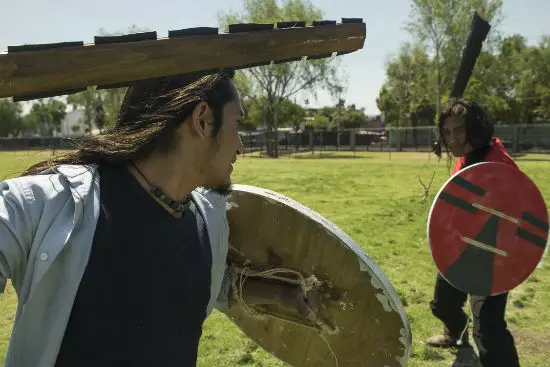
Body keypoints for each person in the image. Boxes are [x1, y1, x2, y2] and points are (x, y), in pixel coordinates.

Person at [0, 70, 319, 367]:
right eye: (237, 124)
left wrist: (280, 295)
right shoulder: (53, 204)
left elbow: (194, 282)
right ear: (204, 120)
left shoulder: (209, 220)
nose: (240, 146)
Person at [425, 98, 520, 367]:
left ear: (475, 130)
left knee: (489, 329)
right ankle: (455, 333)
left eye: (459, 130)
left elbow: (514, 219)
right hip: (459, 249)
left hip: (493, 257)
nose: (452, 139)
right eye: (446, 132)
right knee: (443, 304)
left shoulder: (498, 164)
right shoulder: (466, 158)